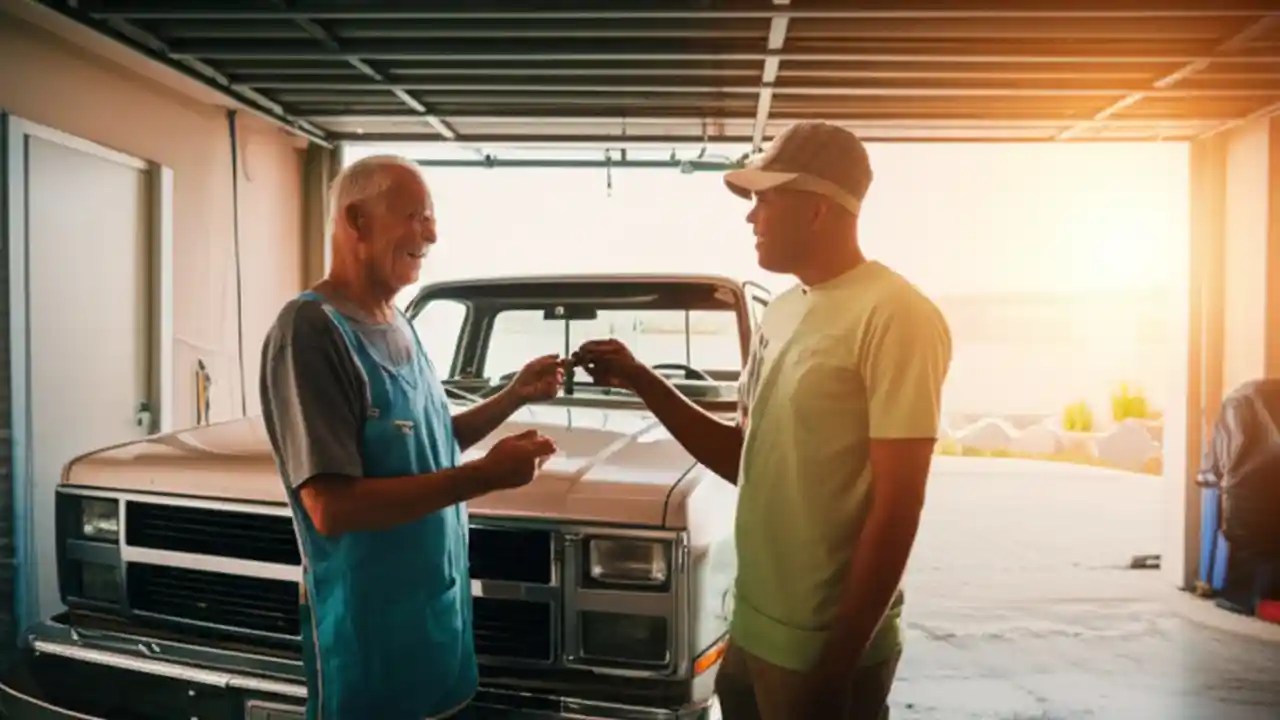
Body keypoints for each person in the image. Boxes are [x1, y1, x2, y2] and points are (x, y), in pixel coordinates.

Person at [575, 121, 951, 719]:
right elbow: (744, 459)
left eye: (765, 199)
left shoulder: (896, 314)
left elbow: (899, 506)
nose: (752, 217)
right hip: (751, 625)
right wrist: (642, 379)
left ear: (818, 208)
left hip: (825, 643)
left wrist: (837, 664)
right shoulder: (781, 311)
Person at [259, 154, 563, 719]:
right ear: (358, 221)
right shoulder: (310, 331)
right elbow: (331, 507)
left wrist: (515, 394)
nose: (433, 234)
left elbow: (429, 444)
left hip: (435, 621)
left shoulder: (399, 323)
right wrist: (485, 477)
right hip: (368, 639)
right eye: (417, 216)